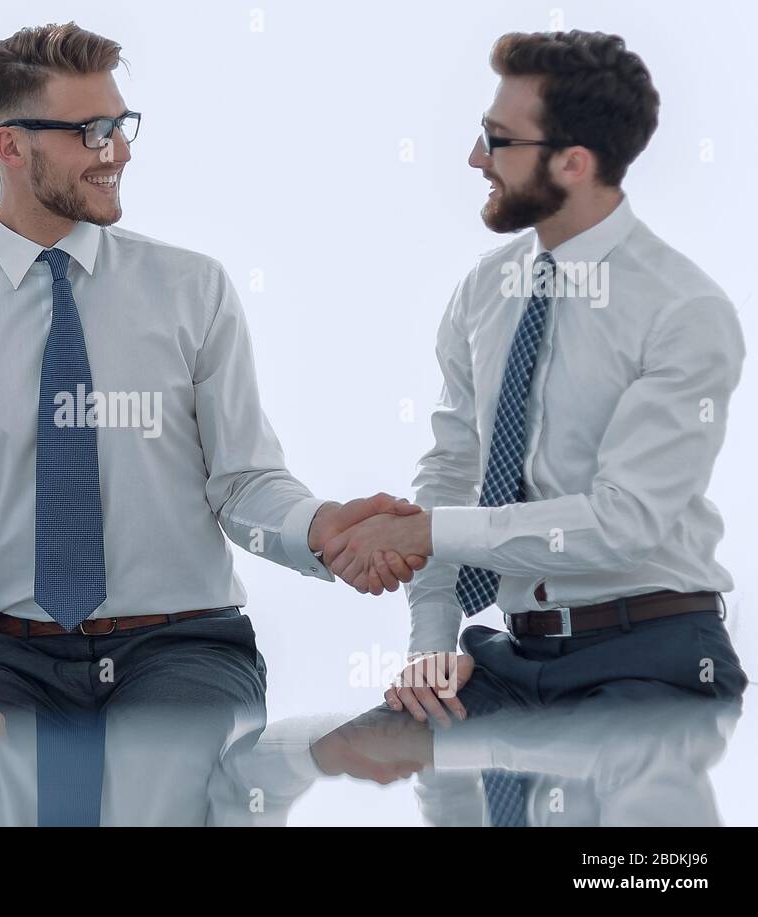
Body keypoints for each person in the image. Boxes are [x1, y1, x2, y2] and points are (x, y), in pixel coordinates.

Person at [0, 21, 425, 826]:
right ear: (11, 147)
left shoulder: (193, 290)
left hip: (183, 648)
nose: (116, 149)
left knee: (155, 794)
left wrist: (322, 527)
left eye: (121, 125)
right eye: (90, 131)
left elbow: (245, 483)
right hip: (13, 655)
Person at [321, 30, 748, 825]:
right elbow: (449, 476)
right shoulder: (484, 293)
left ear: (573, 162)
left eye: (497, 140)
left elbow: (624, 522)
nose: (475, 157)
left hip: (649, 659)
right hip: (515, 656)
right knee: (336, 756)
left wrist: (428, 534)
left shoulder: (684, 311)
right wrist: (432, 643)